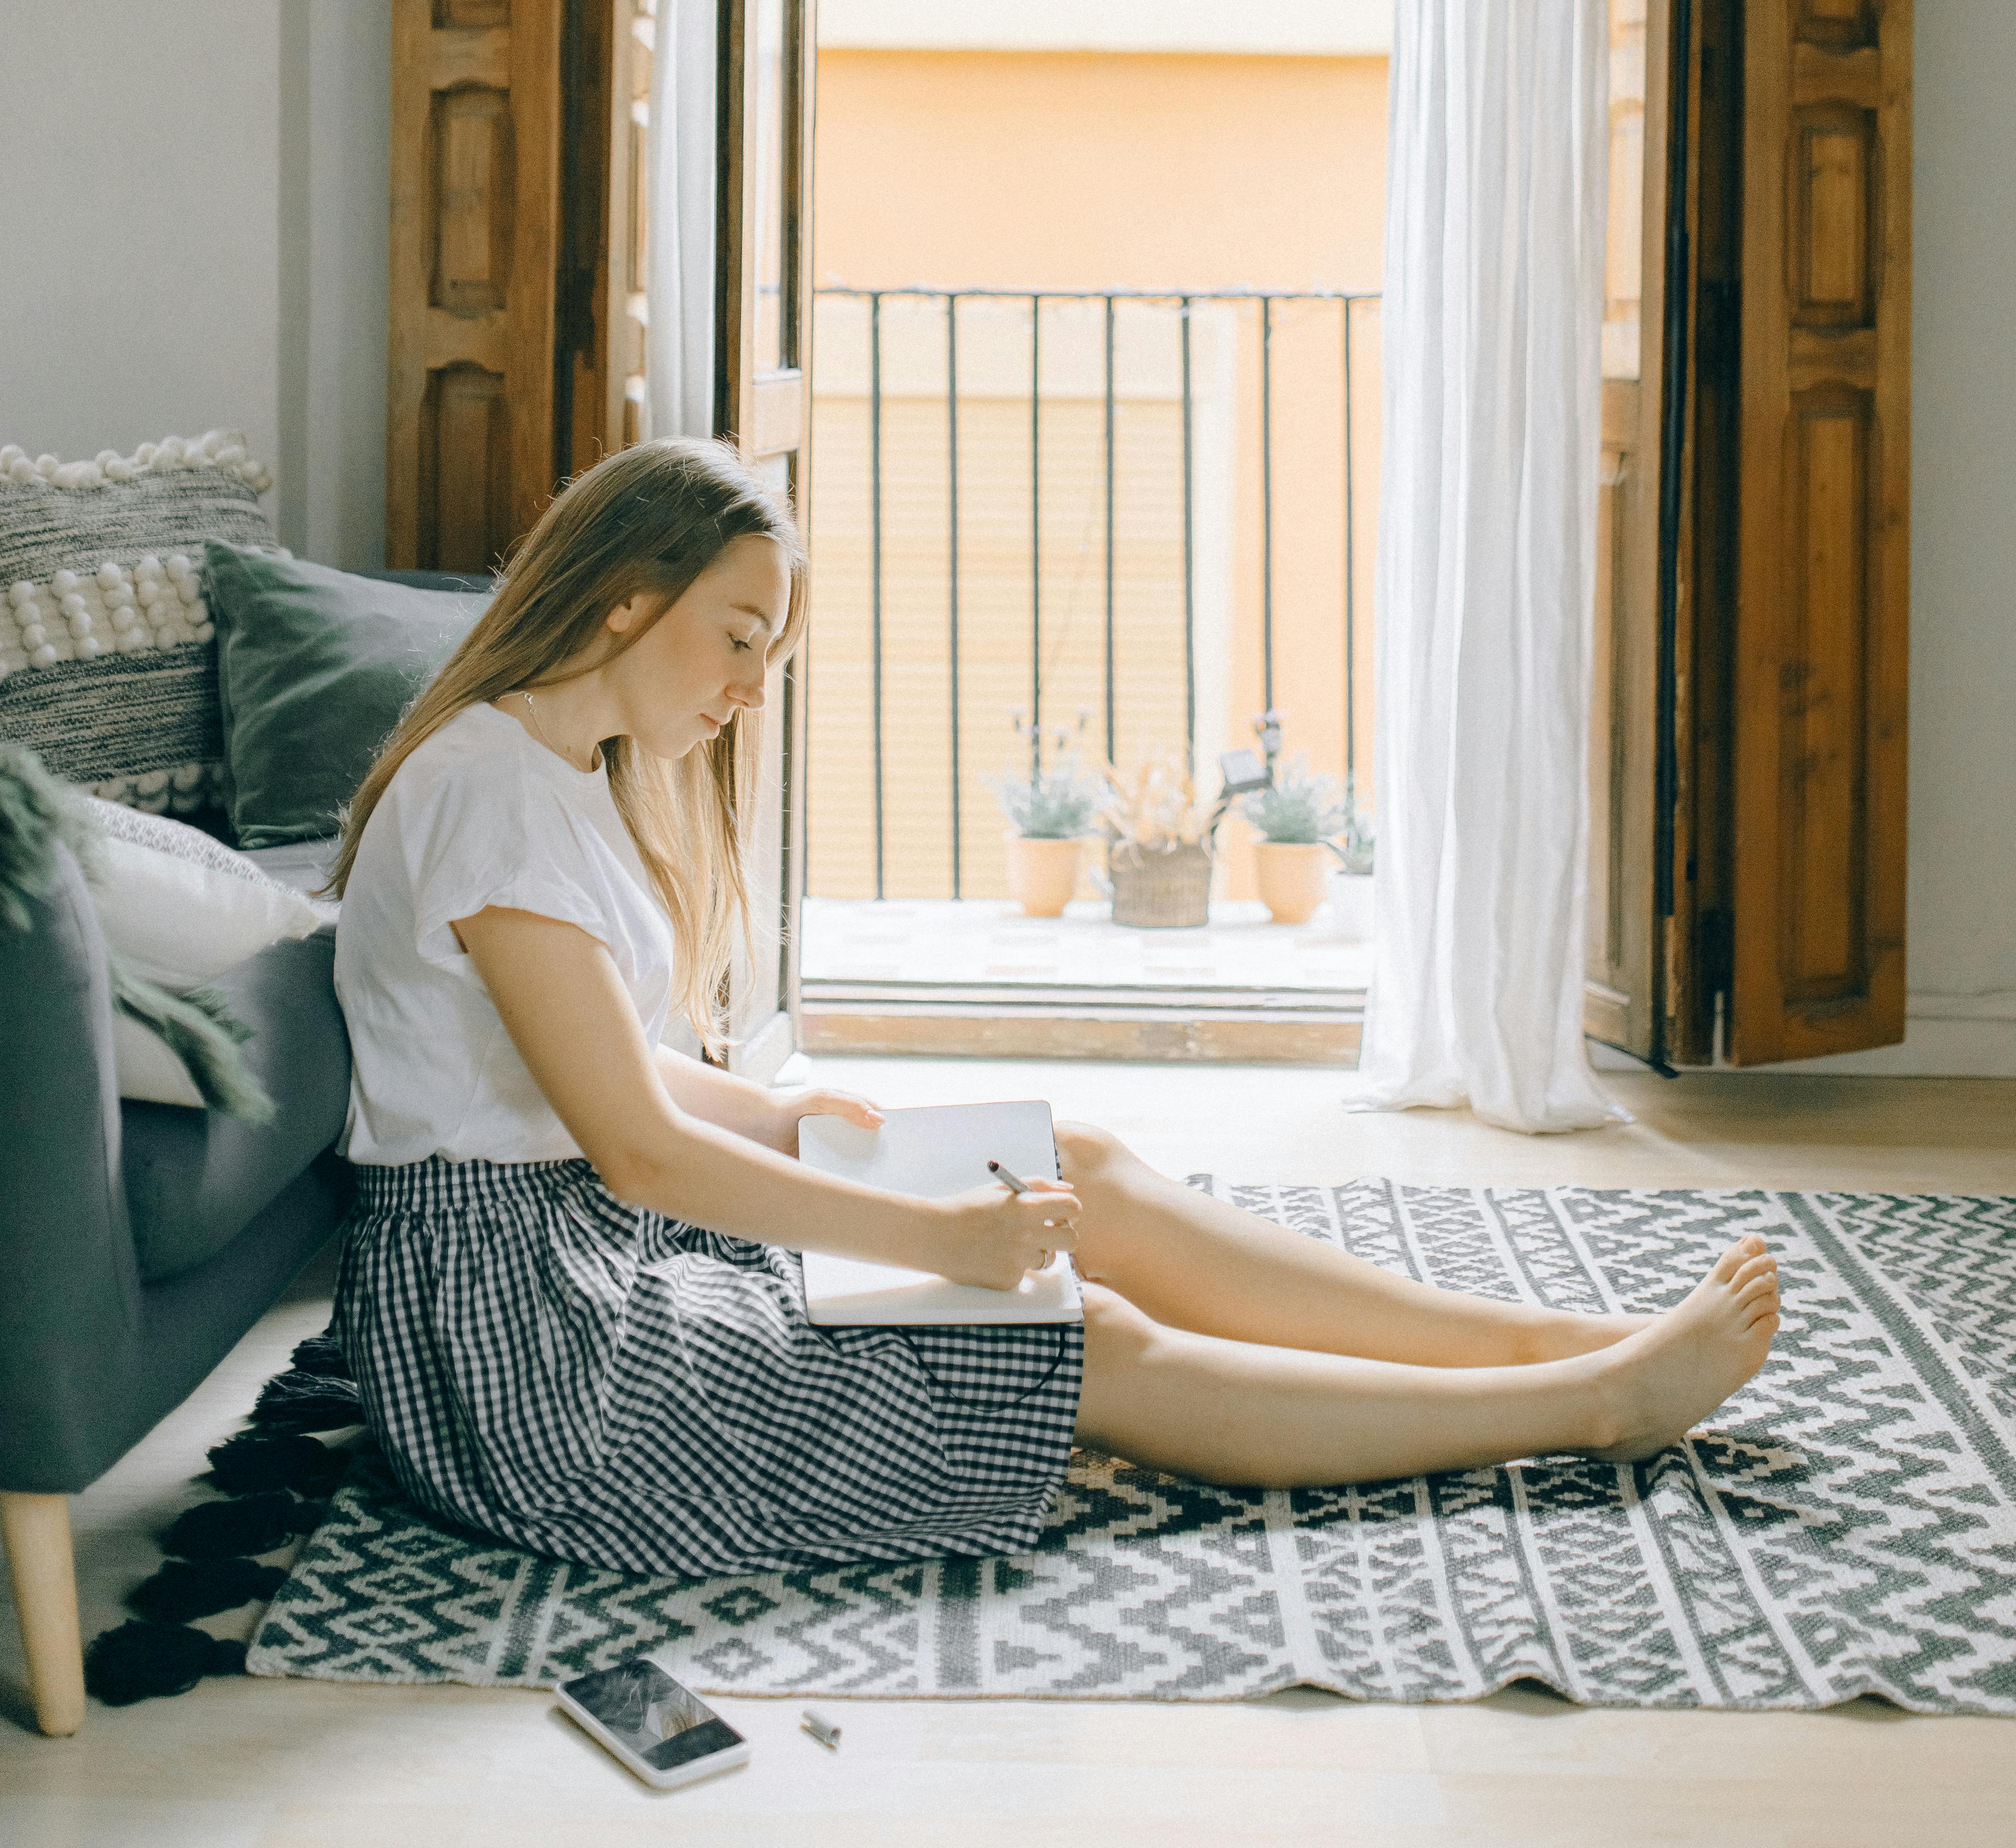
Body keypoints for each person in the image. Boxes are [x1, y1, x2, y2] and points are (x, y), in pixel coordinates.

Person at [330, 439, 1780, 1579]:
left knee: (1073, 1163)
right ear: (624, 597)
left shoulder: (558, 774)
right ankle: (1587, 1406)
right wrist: (931, 1234)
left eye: (769, 654)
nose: (754, 690)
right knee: (1074, 1336)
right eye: (738, 639)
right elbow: (639, 1152)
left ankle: (1542, 1342)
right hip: (535, 1344)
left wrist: (780, 1119)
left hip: (584, 1244)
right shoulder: (491, 802)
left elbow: (605, 1069)